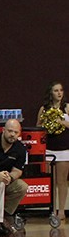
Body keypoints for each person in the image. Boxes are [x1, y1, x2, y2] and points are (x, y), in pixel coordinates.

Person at [0, 119, 29, 232]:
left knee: (22, 186)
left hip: (5, 178)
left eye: (16, 132)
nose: (12, 134)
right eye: (10, 131)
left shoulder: (20, 149)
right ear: (3, 130)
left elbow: (18, 171)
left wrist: (10, 177)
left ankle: (5, 214)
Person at [37, 81, 69, 224]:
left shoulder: (67, 108)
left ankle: (61, 210)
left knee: (62, 181)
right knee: (50, 180)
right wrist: (46, 124)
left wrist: (62, 123)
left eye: (61, 90)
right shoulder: (44, 109)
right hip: (49, 148)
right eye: (56, 90)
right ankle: (51, 209)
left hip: (64, 148)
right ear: (51, 92)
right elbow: (38, 127)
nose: (59, 93)